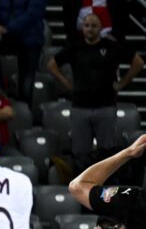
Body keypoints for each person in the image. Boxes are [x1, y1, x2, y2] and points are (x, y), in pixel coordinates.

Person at [47, 12, 141, 163]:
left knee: (107, 153)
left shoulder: (111, 46)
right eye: (86, 25)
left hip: (105, 107)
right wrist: (67, 83)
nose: (90, 29)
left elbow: (138, 62)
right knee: (80, 153)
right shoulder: (75, 47)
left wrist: (122, 83)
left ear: (101, 28)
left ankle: (105, 185)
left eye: (93, 26)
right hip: (80, 107)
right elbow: (52, 65)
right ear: (82, 28)